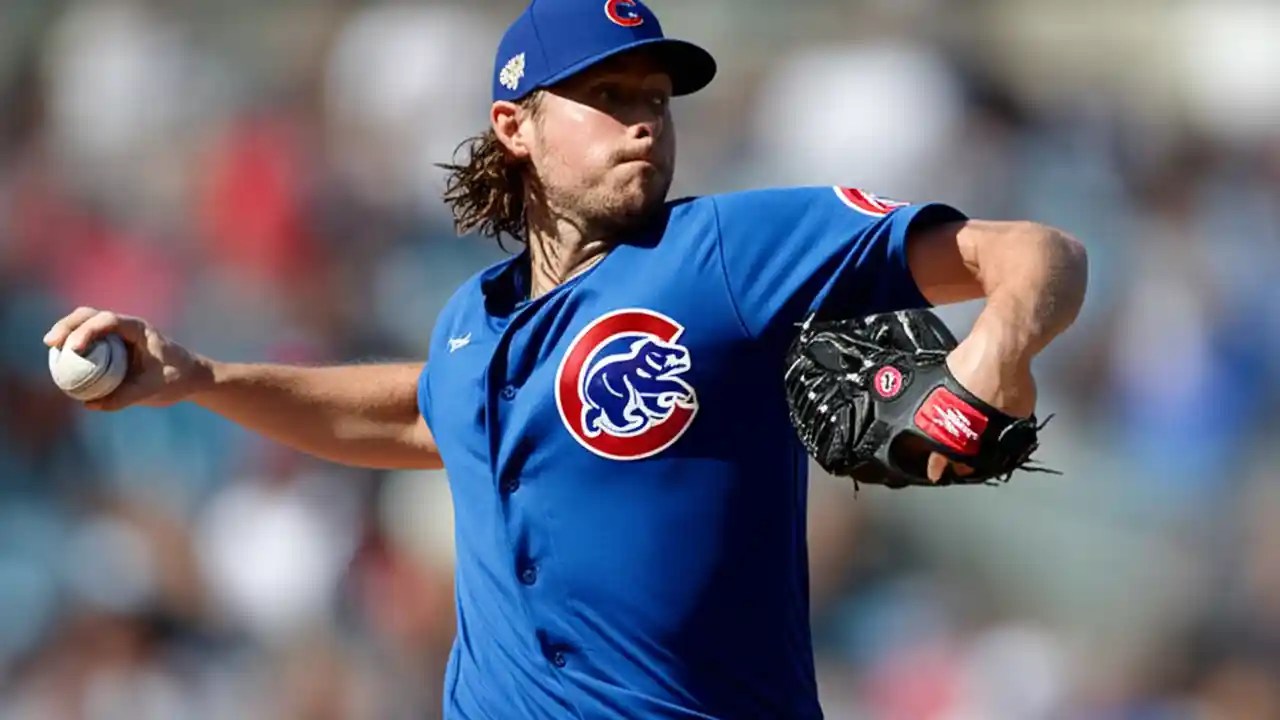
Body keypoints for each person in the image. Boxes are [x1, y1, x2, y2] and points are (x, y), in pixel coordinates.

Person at [43, 0, 1088, 717]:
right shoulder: (471, 323)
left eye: (656, 97)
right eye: (610, 94)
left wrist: (995, 346)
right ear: (517, 126)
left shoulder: (725, 253)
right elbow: (412, 416)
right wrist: (202, 380)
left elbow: (1036, 252)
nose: (643, 121)